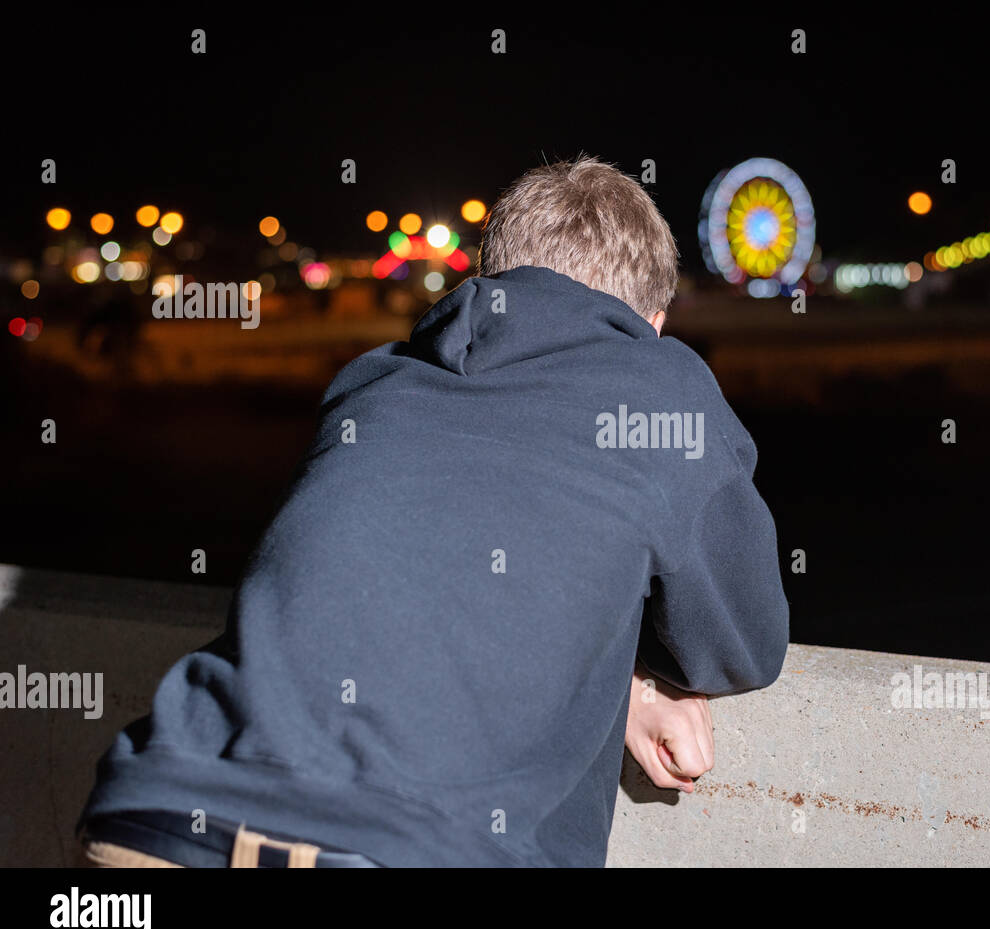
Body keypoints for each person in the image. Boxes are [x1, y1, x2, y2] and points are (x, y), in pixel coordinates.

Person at [77, 156, 789, 867]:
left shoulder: (376, 381)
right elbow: (743, 645)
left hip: (156, 811)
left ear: (486, 279)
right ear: (655, 322)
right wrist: (633, 677)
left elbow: (401, 567)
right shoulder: (663, 387)